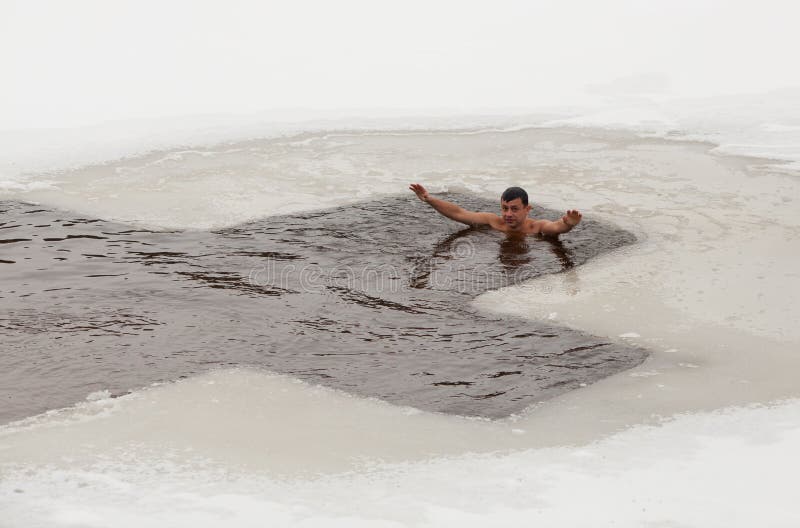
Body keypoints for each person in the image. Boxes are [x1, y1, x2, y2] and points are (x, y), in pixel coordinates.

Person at [409, 183, 582, 236]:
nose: (508, 214)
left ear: (527, 209)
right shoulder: (493, 221)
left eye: (514, 209)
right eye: (504, 208)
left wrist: (569, 224)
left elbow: (555, 227)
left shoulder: (536, 227)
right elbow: (459, 213)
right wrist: (429, 199)